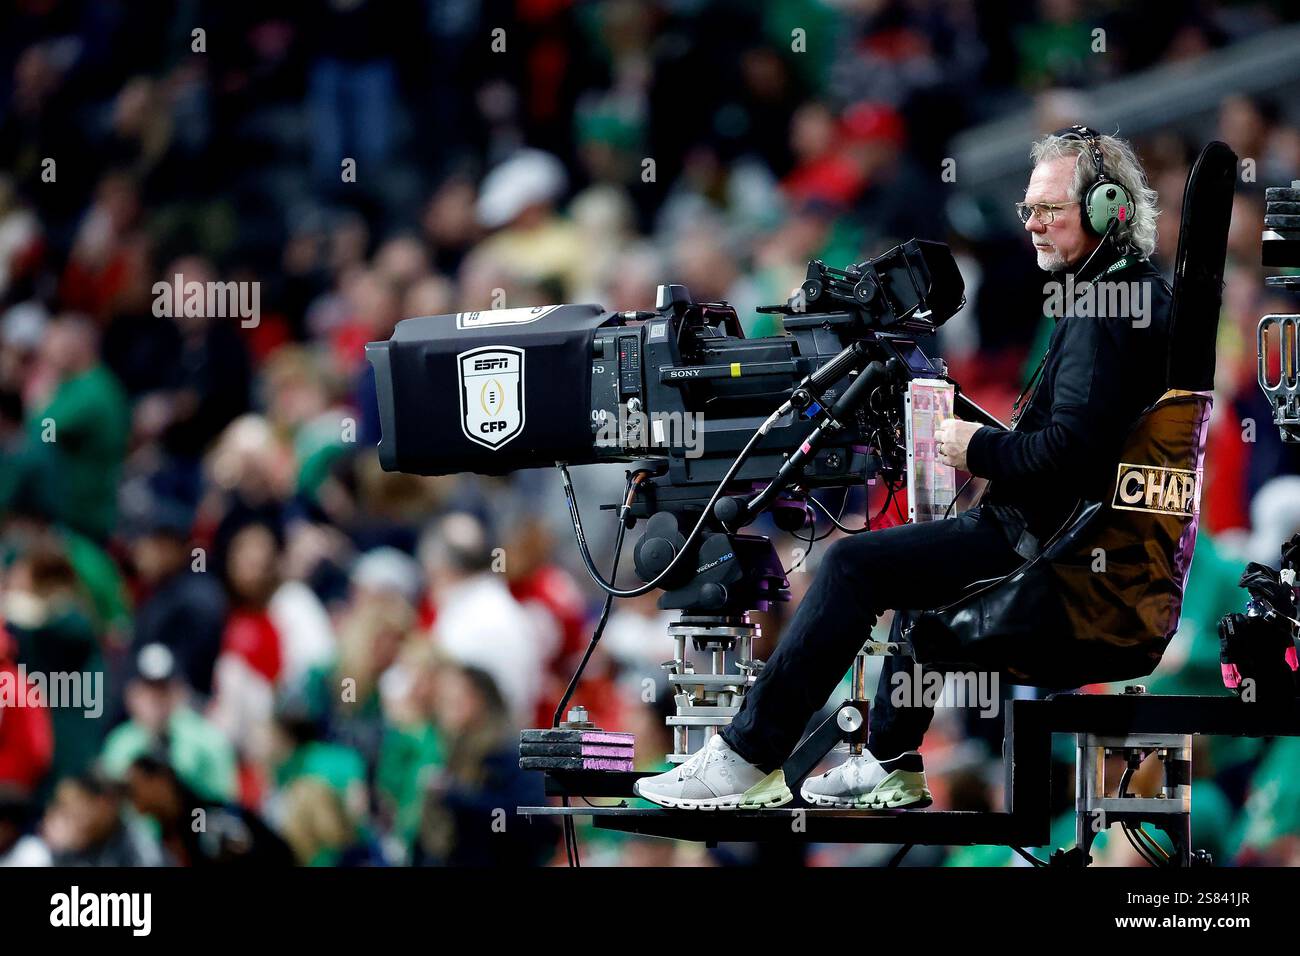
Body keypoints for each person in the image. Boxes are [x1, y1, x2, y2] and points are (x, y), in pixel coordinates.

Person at [635, 126, 1176, 810]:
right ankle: (889, 758)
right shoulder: (1120, 294)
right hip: (1062, 541)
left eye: (1050, 208)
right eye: (1028, 209)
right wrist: (964, 424)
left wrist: (970, 447)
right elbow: (1073, 446)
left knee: (853, 566)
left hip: (1050, 555)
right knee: (913, 574)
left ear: (1108, 211)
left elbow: (1067, 456)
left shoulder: (1106, 307)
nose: (1033, 223)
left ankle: (744, 756)